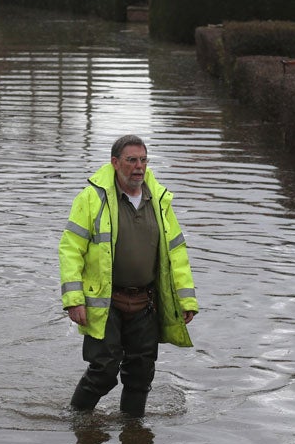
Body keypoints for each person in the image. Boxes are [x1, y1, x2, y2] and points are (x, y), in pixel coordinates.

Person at [59, 134, 198, 417]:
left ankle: (133, 432)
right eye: (131, 160)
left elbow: (176, 253)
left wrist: (186, 300)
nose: (139, 166)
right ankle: (75, 421)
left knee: (141, 375)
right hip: (105, 302)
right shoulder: (91, 198)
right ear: (115, 163)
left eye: (143, 160)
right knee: (104, 371)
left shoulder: (159, 200)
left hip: (145, 303)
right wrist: (74, 299)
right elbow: (70, 249)